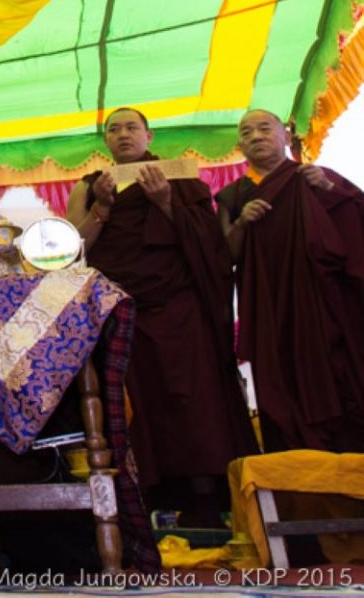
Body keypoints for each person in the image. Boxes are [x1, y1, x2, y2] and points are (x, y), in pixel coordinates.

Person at [65, 108, 254, 523]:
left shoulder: (179, 177)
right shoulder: (90, 187)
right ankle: (142, 502)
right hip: (120, 312)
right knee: (138, 405)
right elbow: (69, 252)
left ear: (148, 135)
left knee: (193, 400)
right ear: (106, 142)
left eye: (131, 127)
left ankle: (205, 503)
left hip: (178, 309)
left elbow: (209, 244)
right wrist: (102, 209)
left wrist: (166, 201)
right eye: (113, 130)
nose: (123, 135)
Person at [216, 109, 364, 453]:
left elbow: (356, 228)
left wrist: (329, 191)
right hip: (269, 308)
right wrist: (241, 224)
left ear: (284, 135)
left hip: (323, 303)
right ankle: (298, 488)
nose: (256, 136)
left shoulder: (315, 176)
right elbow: (223, 258)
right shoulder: (234, 196)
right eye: (247, 132)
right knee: (280, 383)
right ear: (239, 146)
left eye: (264, 128)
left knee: (339, 375)